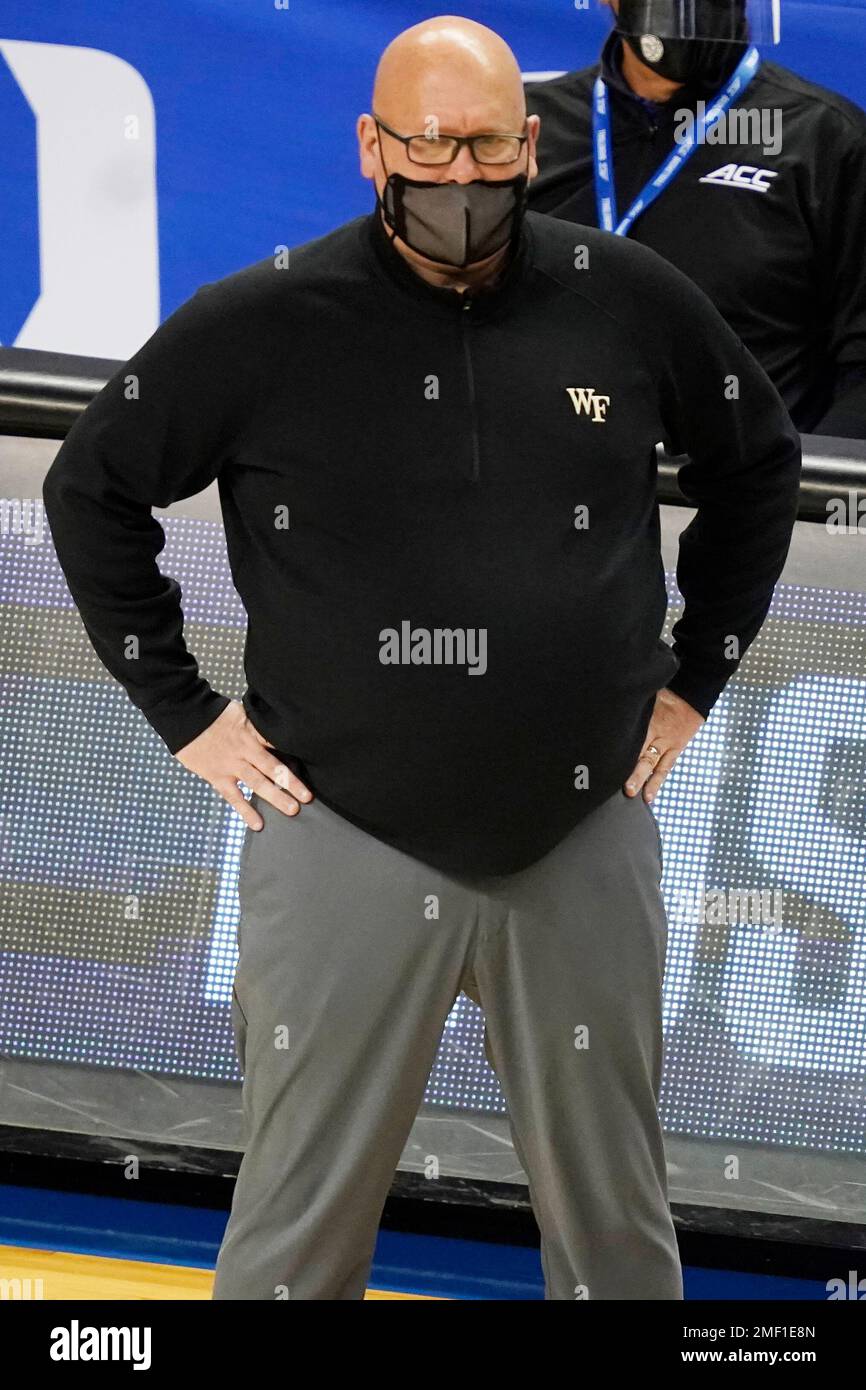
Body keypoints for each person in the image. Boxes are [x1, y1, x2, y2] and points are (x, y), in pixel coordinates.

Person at [41, 14, 801, 1299]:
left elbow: (758, 462)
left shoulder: (621, 295)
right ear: (369, 147)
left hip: (581, 828)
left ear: (529, 143)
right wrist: (186, 716)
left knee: (618, 1239)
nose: (461, 178)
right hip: (340, 828)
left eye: (491, 145)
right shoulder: (263, 320)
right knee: (294, 1237)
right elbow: (89, 491)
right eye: (431, 145)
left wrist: (692, 681)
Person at [525, 0, 866, 438]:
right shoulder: (528, 132)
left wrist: (797, 488)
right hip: (558, 476)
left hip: (741, 488)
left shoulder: (825, 139)